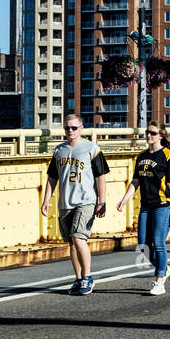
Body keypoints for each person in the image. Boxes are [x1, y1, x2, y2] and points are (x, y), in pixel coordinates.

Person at [39, 114, 110, 295]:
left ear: (81, 128)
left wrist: (101, 200)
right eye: (67, 128)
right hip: (66, 202)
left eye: (74, 128)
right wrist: (46, 199)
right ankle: (78, 279)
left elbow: (100, 177)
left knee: (79, 237)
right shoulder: (59, 150)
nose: (70, 131)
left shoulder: (91, 149)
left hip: (86, 200)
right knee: (71, 242)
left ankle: (87, 278)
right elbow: (52, 177)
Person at [116, 122, 170, 295]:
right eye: (147, 132)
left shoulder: (168, 156)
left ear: (161, 135)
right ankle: (164, 268)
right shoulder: (141, 156)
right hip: (145, 206)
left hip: (162, 206)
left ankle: (159, 280)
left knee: (158, 243)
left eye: (152, 133)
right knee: (143, 246)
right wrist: (124, 200)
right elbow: (135, 181)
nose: (148, 136)